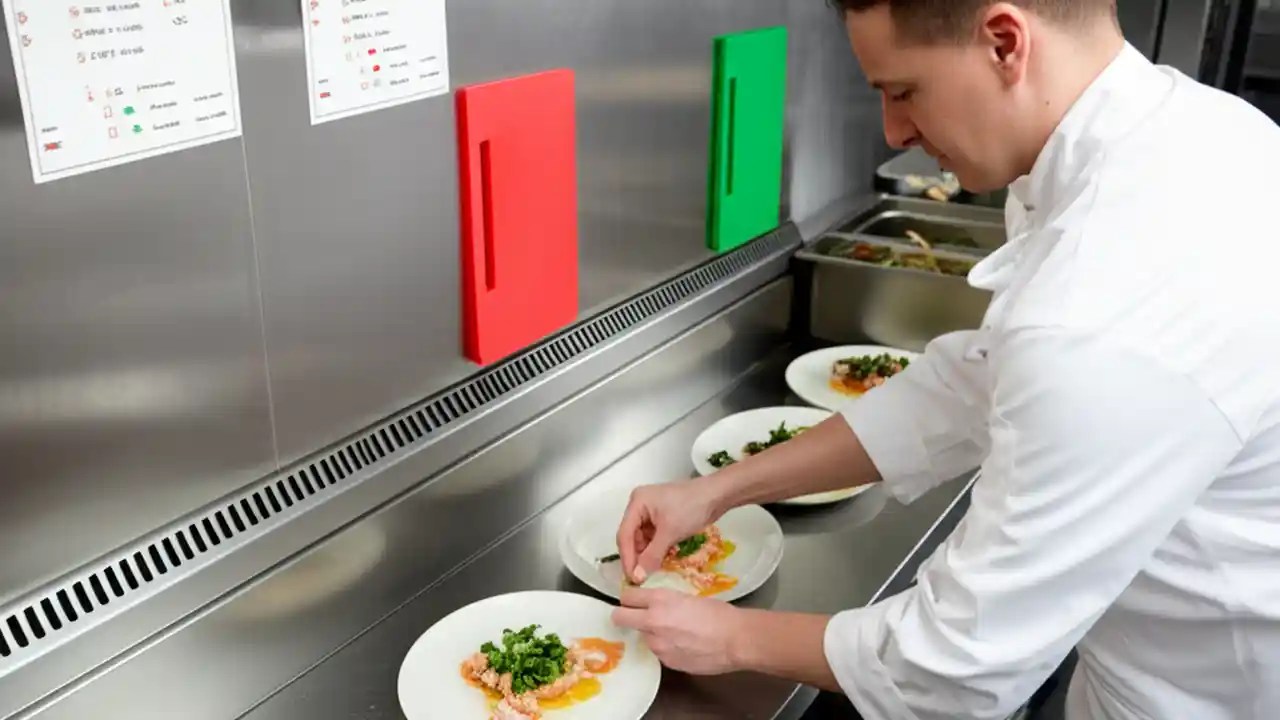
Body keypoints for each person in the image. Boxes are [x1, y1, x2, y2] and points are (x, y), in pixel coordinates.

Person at [609, 1, 1280, 718]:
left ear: (1003, 42)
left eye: (903, 92)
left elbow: (956, 667)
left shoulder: (1101, 312)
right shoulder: (1196, 130)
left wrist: (735, 638)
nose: (895, 131)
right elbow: (974, 380)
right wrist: (722, 490)